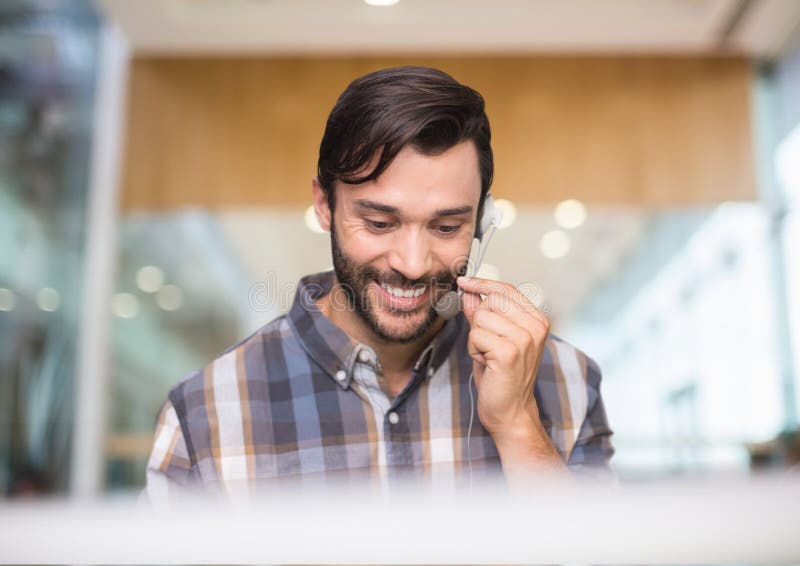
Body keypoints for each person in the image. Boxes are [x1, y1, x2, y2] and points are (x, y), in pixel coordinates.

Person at [145, 66, 614, 498]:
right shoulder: (205, 411)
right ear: (325, 205)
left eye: (446, 228)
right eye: (379, 223)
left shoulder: (567, 382)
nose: (412, 264)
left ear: (481, 223)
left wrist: (518, 427)